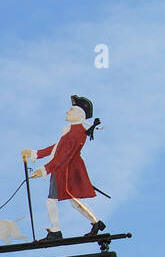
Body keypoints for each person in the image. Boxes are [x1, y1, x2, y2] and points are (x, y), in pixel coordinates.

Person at [22, 95, 104, 241]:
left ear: (79, 114)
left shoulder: (76, 133)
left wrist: (45, 169)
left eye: (70, 110)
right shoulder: (71, 130)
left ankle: (56, 232)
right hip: (64, 168)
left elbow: (63, 156)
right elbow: (58, 148)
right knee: (71, 201)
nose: (67, 112)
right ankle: (95, 223)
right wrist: (36, 153)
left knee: (54, 201)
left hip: (65, 170)